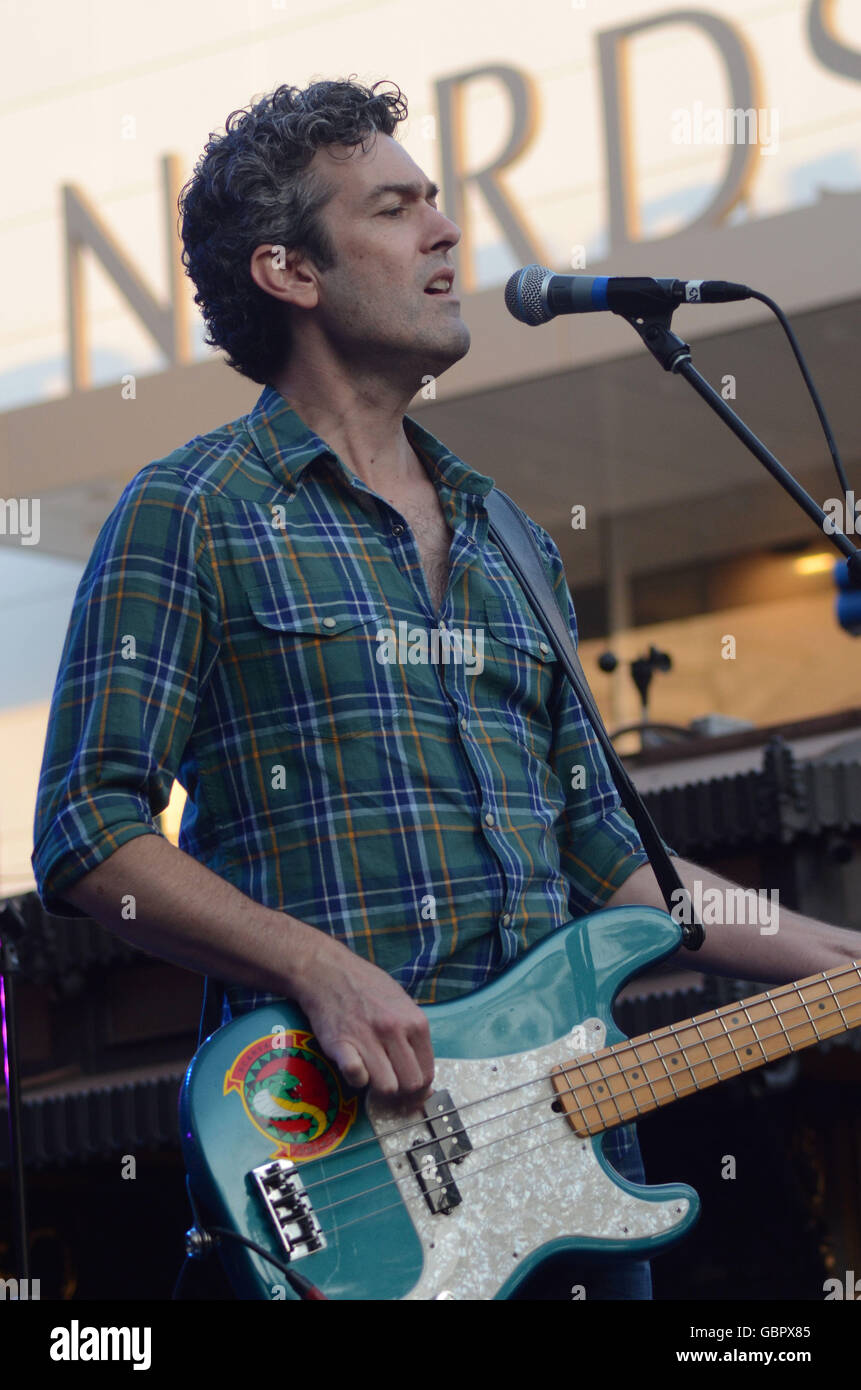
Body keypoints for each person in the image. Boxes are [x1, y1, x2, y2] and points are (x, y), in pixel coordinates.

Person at [31, 78, 859, 1301]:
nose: (446, 232)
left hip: (569, 1180)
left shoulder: (511, 540)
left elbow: (605, 854)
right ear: (289, 272)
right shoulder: (192, 512)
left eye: (438, 202)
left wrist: (829, 954)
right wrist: (316, 964)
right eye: (396, 207)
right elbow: (86, 830)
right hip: (337, 1169)